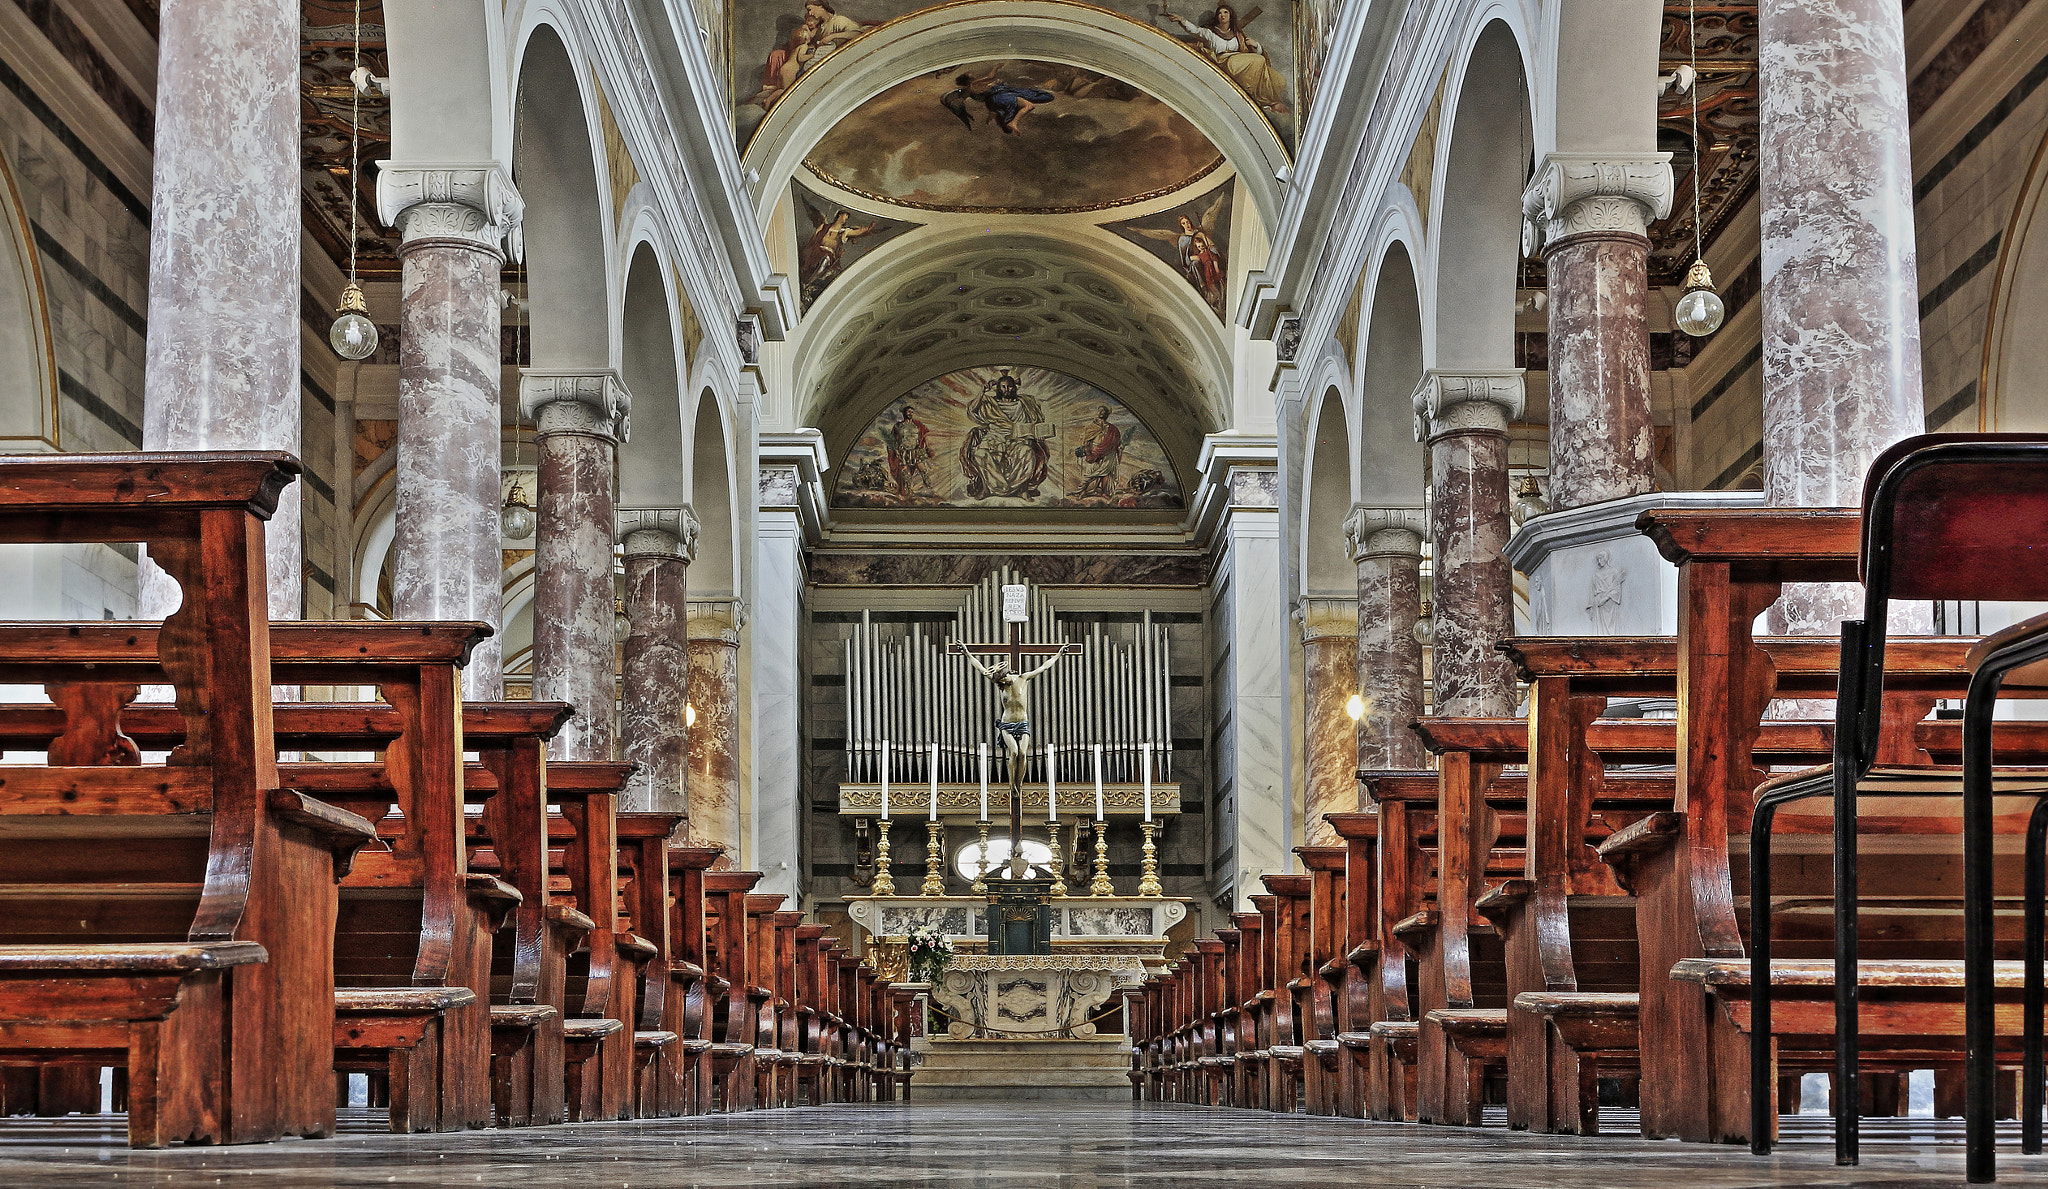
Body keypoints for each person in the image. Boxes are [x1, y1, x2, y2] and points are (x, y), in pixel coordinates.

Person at [1161, 4, 1290, 115]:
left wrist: (1256, 45)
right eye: (1220, 13)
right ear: (1217, 17)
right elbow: (1194, 30)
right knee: (1258, 61)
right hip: (1225, 63)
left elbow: (1250, 51)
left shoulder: (1238, 35)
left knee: (1278, 80)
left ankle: (1266, 101)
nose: (1222, 15)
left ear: (1230, 16)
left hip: (1240, 62)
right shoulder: (1210, 33)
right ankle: (1269, 101)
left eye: (1225, 12)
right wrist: (1181, 19)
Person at [941, 65, 1057, 135]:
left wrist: (991, 114)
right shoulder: (975, 84)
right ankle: (1013, 122)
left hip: (998, 99)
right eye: (972, 76)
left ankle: (1011, 121)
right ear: (969, 80)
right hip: (1001, 96)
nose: (975, 76)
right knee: (1030, 105)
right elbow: (990, 76)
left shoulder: (971, 92)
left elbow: (990, 103)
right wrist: (996, 67)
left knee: (1041, 97)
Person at [1073, 406, 1124, 499]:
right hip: (1095, 451)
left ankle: (1103, 492)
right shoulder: (1091, 427)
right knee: (1090, 473)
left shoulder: (1112, 428)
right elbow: (1086, 441)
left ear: (1107, 414)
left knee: (1105, 473)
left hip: (1109, 453)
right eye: (1100, 410)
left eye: (1104, 411)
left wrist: (1119, 447)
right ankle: (1083, 491)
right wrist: (1086, 447)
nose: (1101, 412)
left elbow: (1117, 441)